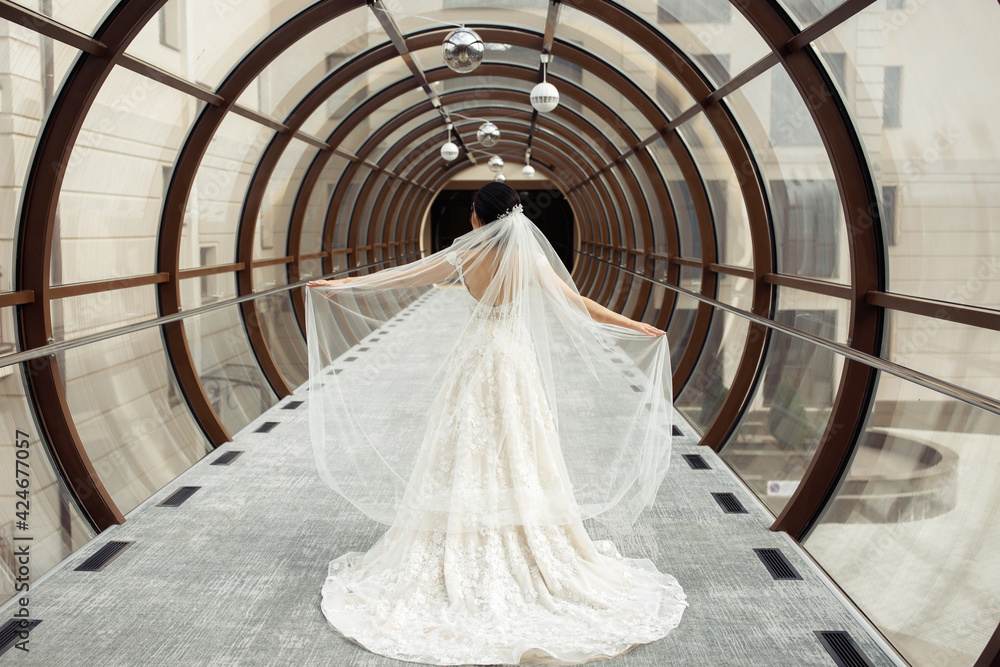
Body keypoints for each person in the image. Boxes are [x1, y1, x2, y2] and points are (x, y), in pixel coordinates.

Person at [305, 182, 687, 665]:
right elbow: (575, 302)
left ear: (478, 218)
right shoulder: (527, 260)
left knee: (466, 441)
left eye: (471, 210)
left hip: (475, 359)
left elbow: (403, 277)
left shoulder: (464, 256)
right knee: (520, 444)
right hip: (512, 360)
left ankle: (461, 528)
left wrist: (340, 286)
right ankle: (524, 529)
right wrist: (633, 326)